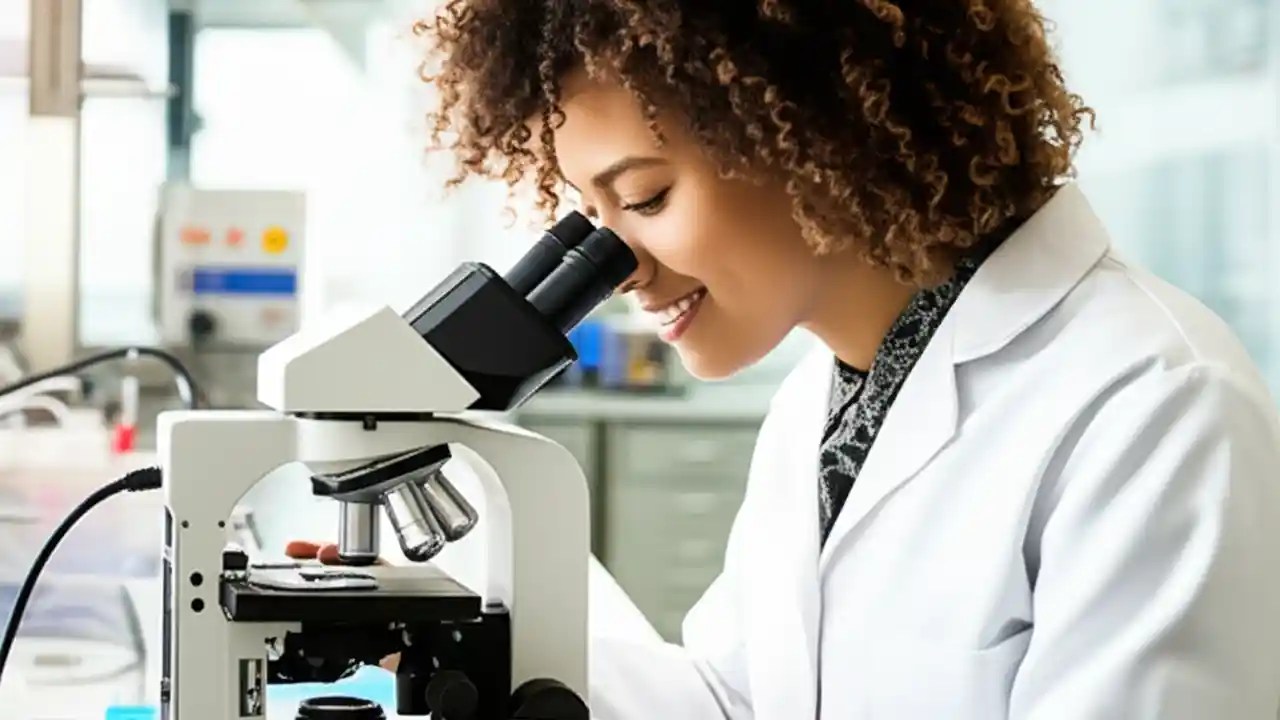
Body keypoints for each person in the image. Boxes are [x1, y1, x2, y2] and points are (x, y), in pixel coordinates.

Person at [294, 1, 1280, 717]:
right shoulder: (833, 398)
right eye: (588, 219)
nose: (618, 270)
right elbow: (735, 704)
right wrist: (452, 623)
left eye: (641, 200)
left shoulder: (1151, 404)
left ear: (820, 136)